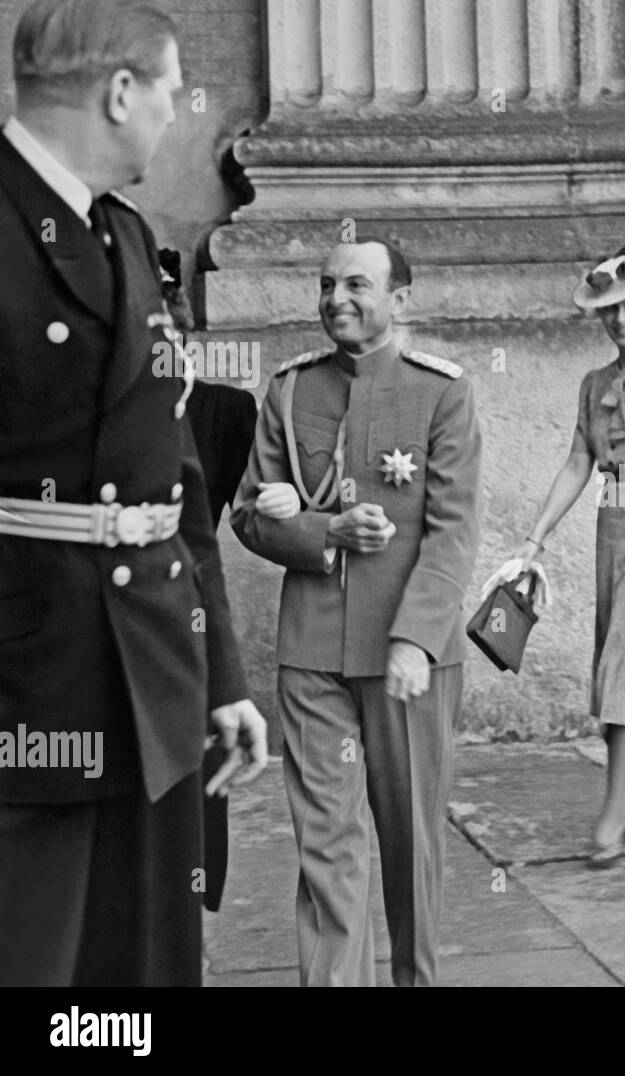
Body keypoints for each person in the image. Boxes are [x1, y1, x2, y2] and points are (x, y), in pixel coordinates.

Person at [0, 0, 267, 987]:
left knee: (143, 970)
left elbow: (179, 489)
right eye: (166, 90)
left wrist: (223, 676)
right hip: (29, 681)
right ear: (119, 92)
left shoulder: (124, 235)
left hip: (152, 678)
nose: (173, 113)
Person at [231, 238, 482, 987]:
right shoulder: (288, 390)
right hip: (312, 651)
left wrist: (414, 640)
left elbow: (452, 531)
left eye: (357, 286)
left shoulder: (444, 391)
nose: (337, 299)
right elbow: (249, 514)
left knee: (409, 842)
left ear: (400, 300)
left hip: (409, 656)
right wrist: (322, 533)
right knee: (325, 843)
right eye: (326, 284)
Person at [487, 249, 625, 866]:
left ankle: (612, 814)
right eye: (610, 311)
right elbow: (580, 460)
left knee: (624, 671)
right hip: (616, 532)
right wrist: (535, 538)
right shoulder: (593, 385)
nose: (621, 320)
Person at [160, 247, 260, 912]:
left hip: (185, 622)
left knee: (191, 812)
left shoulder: (224, 411)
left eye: (170, 297)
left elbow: (205, 534)